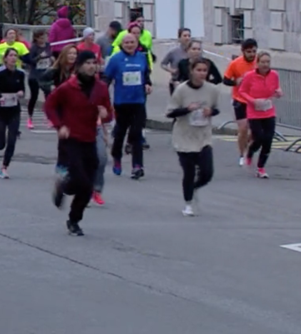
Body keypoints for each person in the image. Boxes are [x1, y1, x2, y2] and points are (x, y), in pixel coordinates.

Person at [45, 50, 113, 236]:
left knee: (88, 185)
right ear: (79, 66)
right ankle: (63, 186)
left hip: (89, 138)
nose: (92, 66)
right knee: (80, 180)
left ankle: (74, 220)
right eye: (88, 63)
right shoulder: (68, 87)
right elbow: (49, 105)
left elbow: (109, 112)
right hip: (71, 139)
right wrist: (60, 126)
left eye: (95, 63)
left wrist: (105, 115)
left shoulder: (100, 88)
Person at [166, 59, 219, 216]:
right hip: (184, 137)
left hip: (203, 136)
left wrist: (211, 112)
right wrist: (187, 109)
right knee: (188, 172)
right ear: (192, 71)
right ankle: (188, 203)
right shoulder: (181, 90)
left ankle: (195, 186)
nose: (202, 73)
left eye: (205, 70)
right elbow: (170, 112)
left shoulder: (212, 89)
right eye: (199, 70)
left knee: (207, 172)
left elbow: (216, 109)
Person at [103, 33, 152, 179]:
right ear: (122, 44)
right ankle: (116, 157)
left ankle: (137, 166)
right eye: (126, 43)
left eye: (132, 42)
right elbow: (107, 78)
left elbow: (146, 75)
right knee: (120, 133)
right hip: (122, 102)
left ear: (137, 43)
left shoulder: (141, 57)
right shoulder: (116, 59)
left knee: (137, 134)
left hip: (138, 101)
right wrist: (101, 95)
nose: (129, 45)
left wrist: (148, 84)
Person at [239, 52, 281, 178]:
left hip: (268, 110)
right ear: (257, 63)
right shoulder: (250, 76)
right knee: (259, 137)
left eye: (268, 62)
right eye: (263, 62)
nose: (265, 65)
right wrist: (253, 101)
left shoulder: (274, 75)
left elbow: (277, 88)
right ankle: (250, 151)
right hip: (254, 112)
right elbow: (242, 91)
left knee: (268, 139)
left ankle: (261, 168)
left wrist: (278, 93)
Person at [0, 49, 27, 178]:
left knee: (12, 141)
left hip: (14, 110)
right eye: (11, 55)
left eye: (15, 56)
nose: (13, 58)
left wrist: (21, 93)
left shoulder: (20, 73)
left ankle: (4, 167)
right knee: (1, 143)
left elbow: (22, 89)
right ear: (5, 59)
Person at [223, 38, 258, 166]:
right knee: (243, 129)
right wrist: (235, 82)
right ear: (243, 51)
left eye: (254, 51)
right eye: (249, 52)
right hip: (240, 99)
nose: (252, 54)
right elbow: (225, 80)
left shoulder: (259, 63)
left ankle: (248, 144)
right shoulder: (235, 63)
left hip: (255, 100)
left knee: (256, 131)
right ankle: (242, 154)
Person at [23, 30, 54, 130]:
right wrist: (40, 57)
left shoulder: (48, 45)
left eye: (45, 37)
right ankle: (30, 118)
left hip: (46, 75)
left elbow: (50, 55)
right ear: (36, 39)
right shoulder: (34, 48)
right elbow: (30, 61)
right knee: (34, 97)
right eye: (41, 38)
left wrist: (51, 59)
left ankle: (49, 117)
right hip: (35, 75)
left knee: (48, 96)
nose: (44, 39)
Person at [161, 28, 192, 94]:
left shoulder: (194, 51)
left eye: (189, 36)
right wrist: (171, 70)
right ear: (179, 38)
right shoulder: (174, 52)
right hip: (177, 82)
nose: (187, 38)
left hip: (191, 82)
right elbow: (163, 64)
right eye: (185, 36)